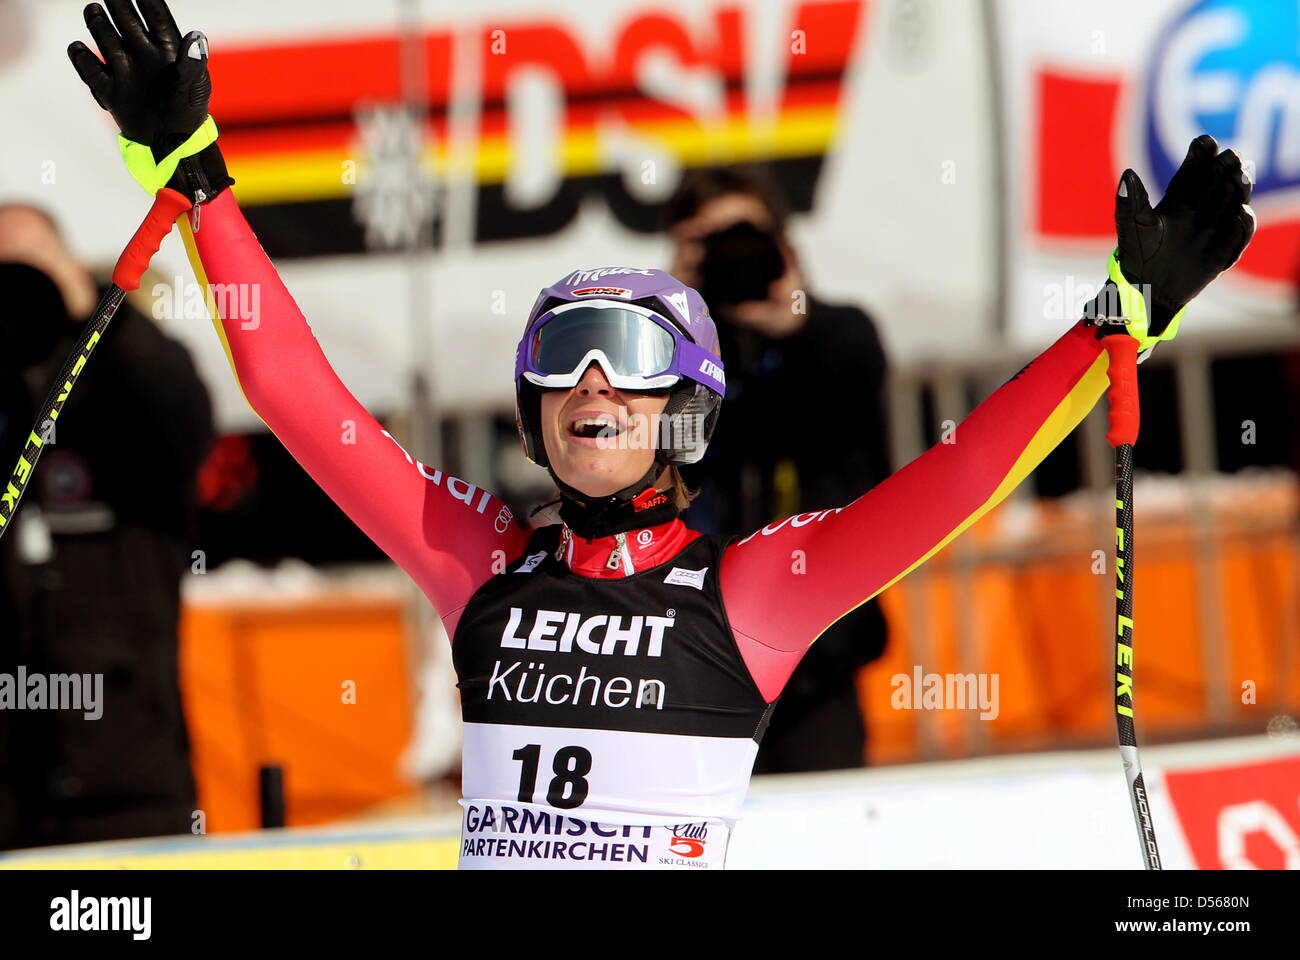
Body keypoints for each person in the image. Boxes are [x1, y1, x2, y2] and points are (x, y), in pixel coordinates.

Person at [66, 0, 1254, 869]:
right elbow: (296, 398)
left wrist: (1115, 324)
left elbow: (956, 480)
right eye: (565, 349)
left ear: (682, 408)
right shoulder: (481, 561)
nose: (594, 378)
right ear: (531, 408)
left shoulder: (749, 595)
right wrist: (196, 177)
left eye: (629, 357)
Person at [663, 165, 890, 773]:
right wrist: (679, 327)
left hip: (815, 667)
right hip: (693, 669)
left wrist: (791, 322)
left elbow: (851, 419)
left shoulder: (838, 338)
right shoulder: (663, 365)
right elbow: (663, 457)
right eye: (703, 242)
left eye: (742, 235)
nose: (727, 255)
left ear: (782, 243)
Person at [0, 201, 212, 850]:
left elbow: (187, 416)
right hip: (13, 797)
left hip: (133, 793)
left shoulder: (121, 384)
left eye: (28, 266)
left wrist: (93, 305)